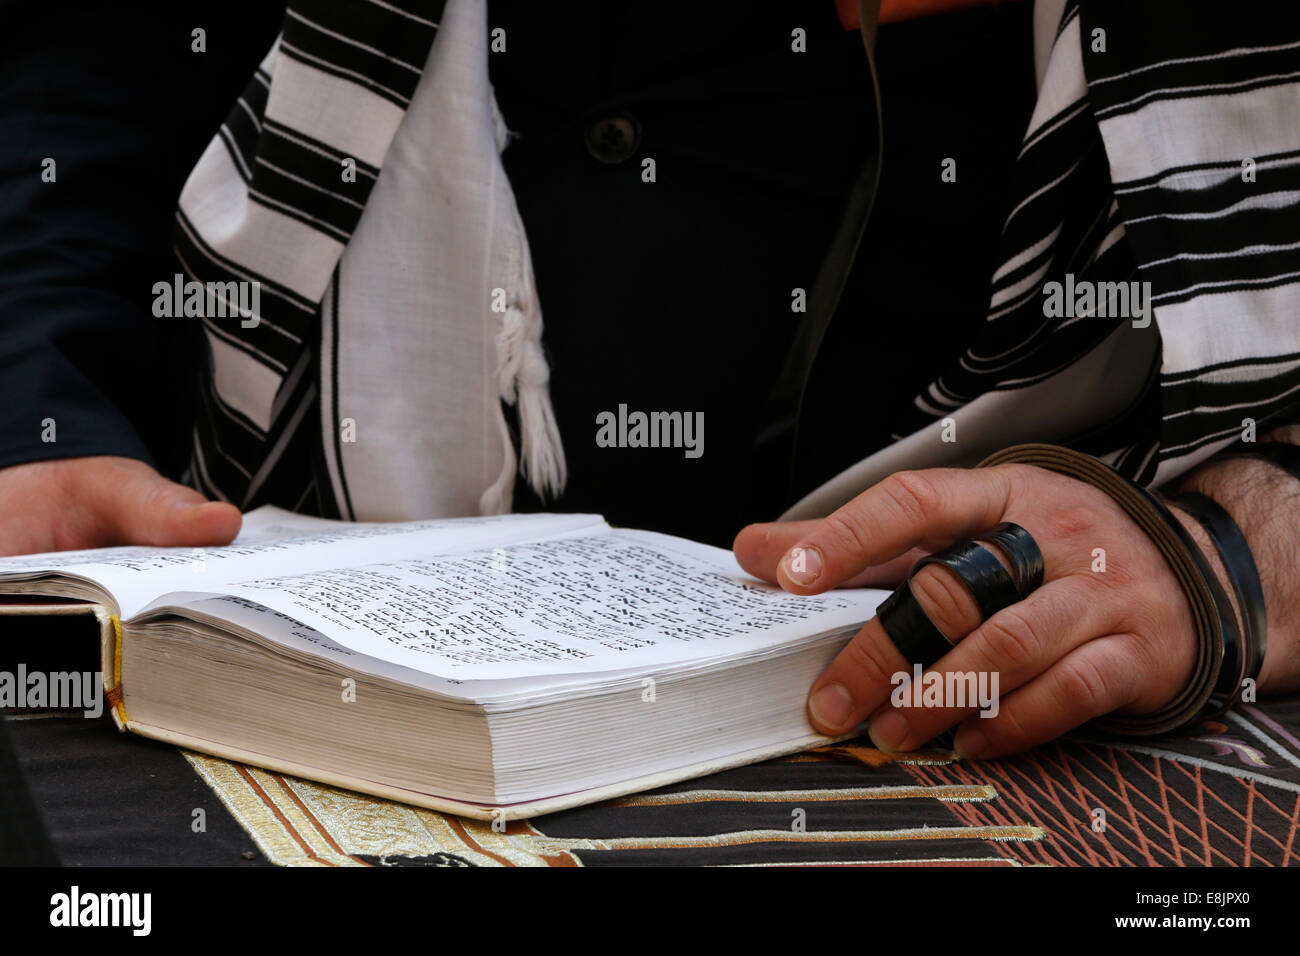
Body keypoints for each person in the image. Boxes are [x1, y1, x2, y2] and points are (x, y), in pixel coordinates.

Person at [1, 0, 1297, 757]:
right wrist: (32, 408)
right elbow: (83, 75)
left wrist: (1238, 557)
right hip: (272, 630)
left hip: (1048, 710)